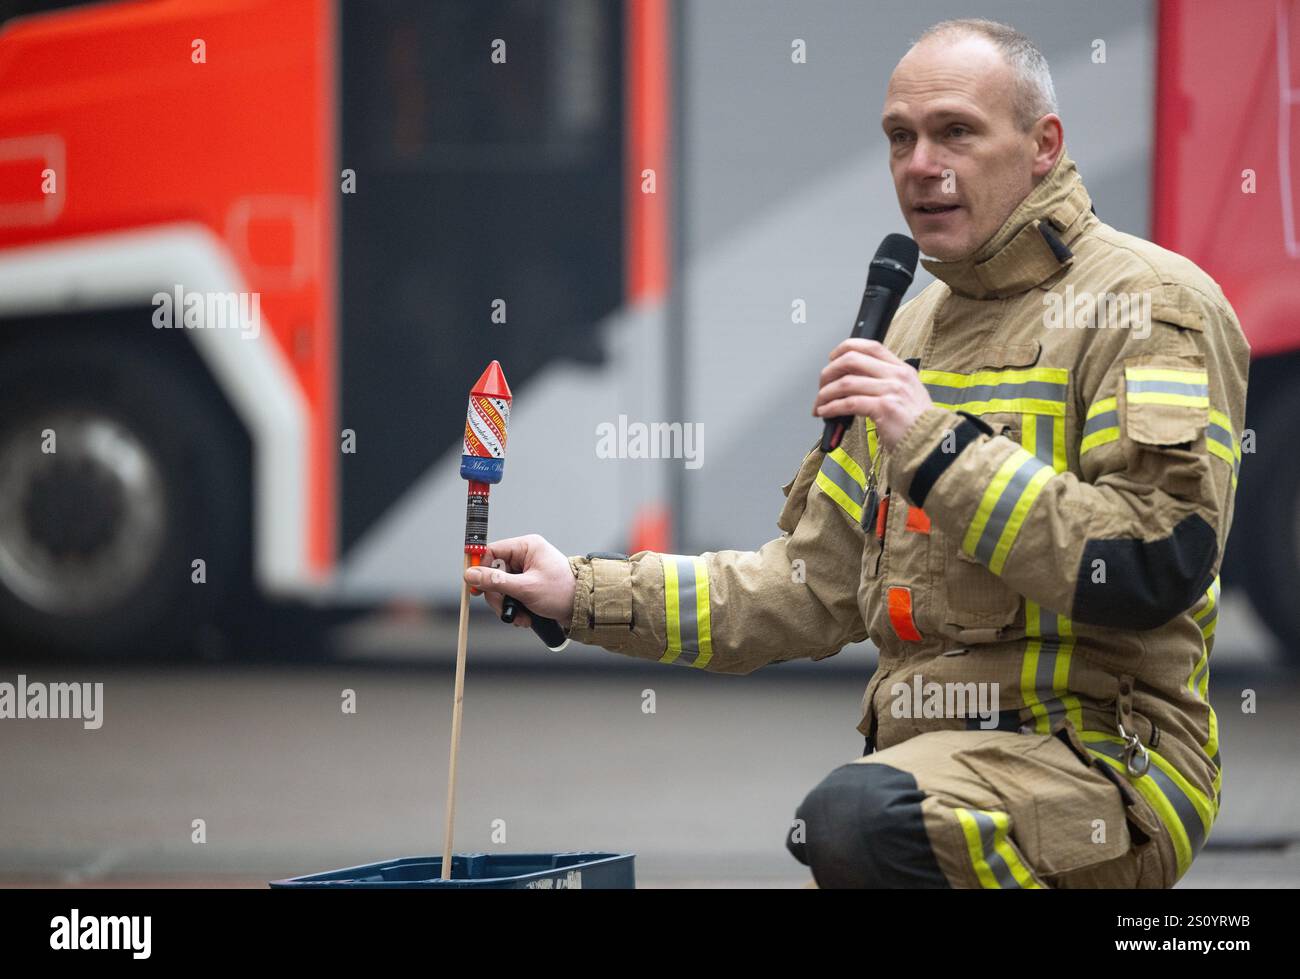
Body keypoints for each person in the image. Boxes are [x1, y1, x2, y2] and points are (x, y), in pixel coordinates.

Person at [463, 18, 1248, 888]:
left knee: (856, 820)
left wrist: (935, 447)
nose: (921, 163)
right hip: (933, 770)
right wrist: (580, 592)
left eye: (956, 130)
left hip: (1103, 764)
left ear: (1042, 145)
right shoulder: (908, 334)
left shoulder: (1150, 305)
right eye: (900, 138)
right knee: (858, 817)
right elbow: (805, 589)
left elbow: (1151, 563)